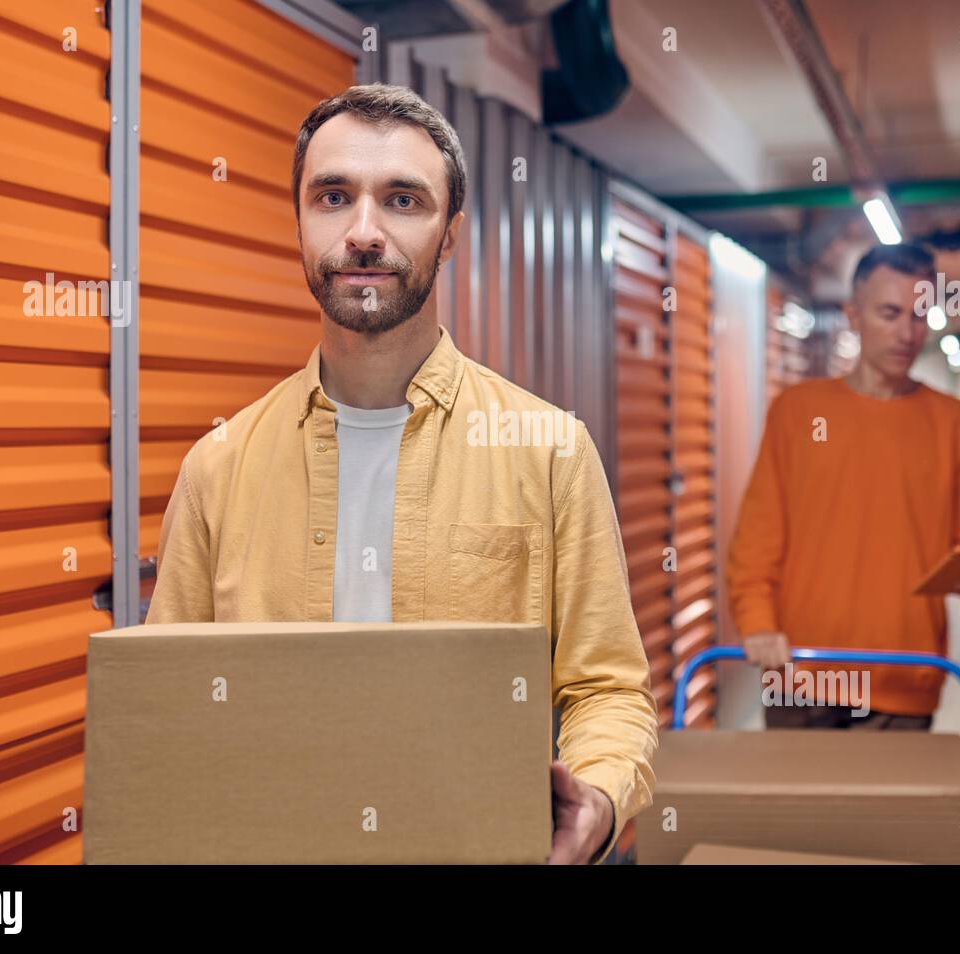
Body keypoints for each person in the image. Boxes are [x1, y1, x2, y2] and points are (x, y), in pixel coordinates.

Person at [145, 84, 656, 864]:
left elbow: (608, 691)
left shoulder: (548, 450)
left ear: (450, 236)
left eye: (404, 200)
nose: (362, 232)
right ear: (299, 222)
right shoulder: (219, 467)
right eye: (333, 196)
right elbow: (170, 706)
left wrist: (596, 797)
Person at [726, 243, 960, 729]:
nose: (907, 333)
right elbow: (758, 537)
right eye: (890, 313)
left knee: (891, 811)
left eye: (919, 315)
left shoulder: (959, 424)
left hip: (906, 680)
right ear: (853, 315)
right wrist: (756, 622)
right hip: (801, 674)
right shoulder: (798, 412)